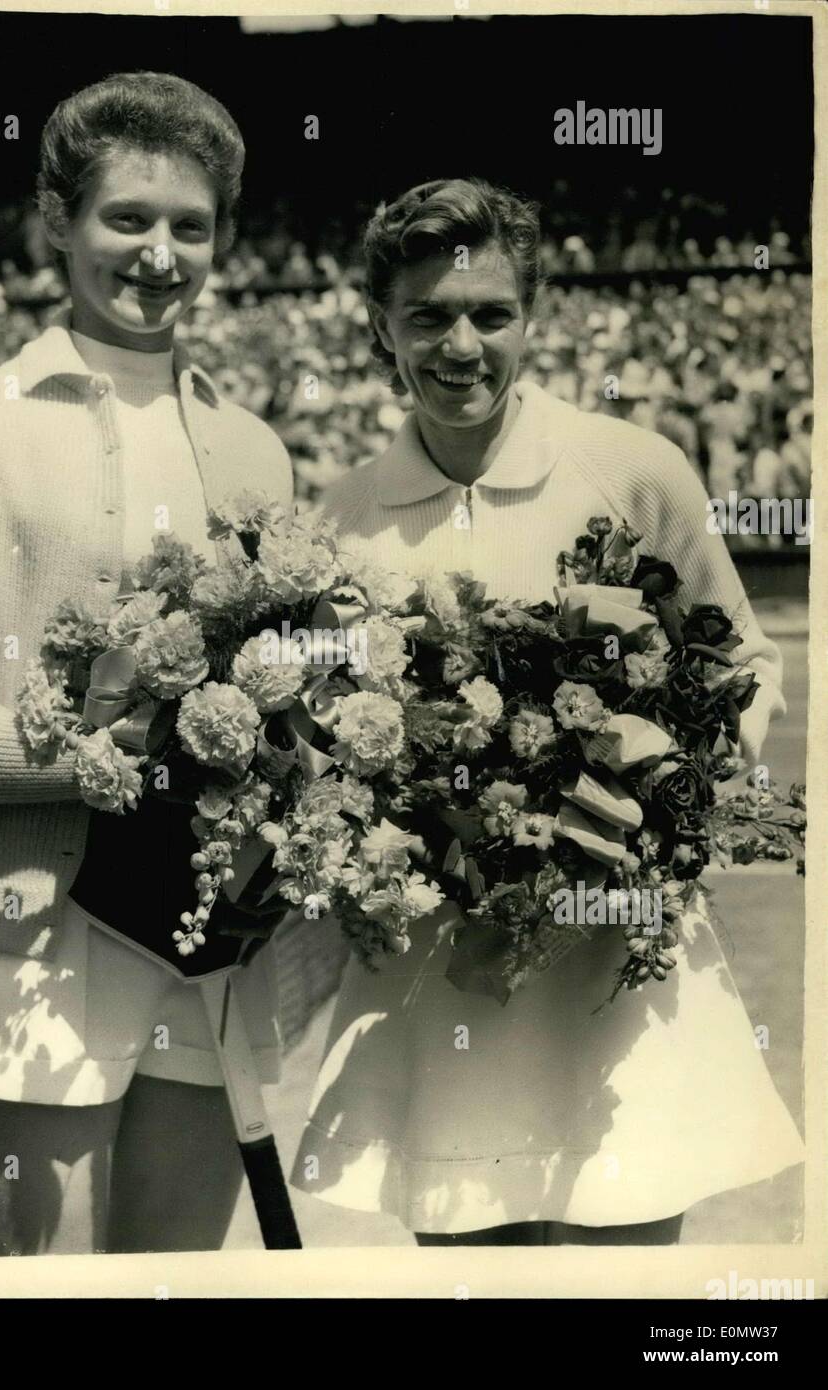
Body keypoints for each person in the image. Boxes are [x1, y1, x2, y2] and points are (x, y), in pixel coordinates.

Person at [290, 178, 804, 1245]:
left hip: (614, 958)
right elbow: (319, 737)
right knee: (474, 1272)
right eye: (427, 315)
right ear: (380, 326)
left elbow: (740, 658)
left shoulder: (633, 469)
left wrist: (655, 795)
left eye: (489, 313)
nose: (460, 344)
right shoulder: (335, 519)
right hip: (439, 984)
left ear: (534, 318)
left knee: (623, 1270)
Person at [0, 71, 293, 1255]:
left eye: (191, 226)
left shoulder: (252, 447)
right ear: (58, 222)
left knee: (174, 1282)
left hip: (209, 945)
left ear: (226, 238)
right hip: (25, 934)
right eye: (127, 219)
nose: (160, 255)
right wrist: (84, 758)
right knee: (38, 1293)